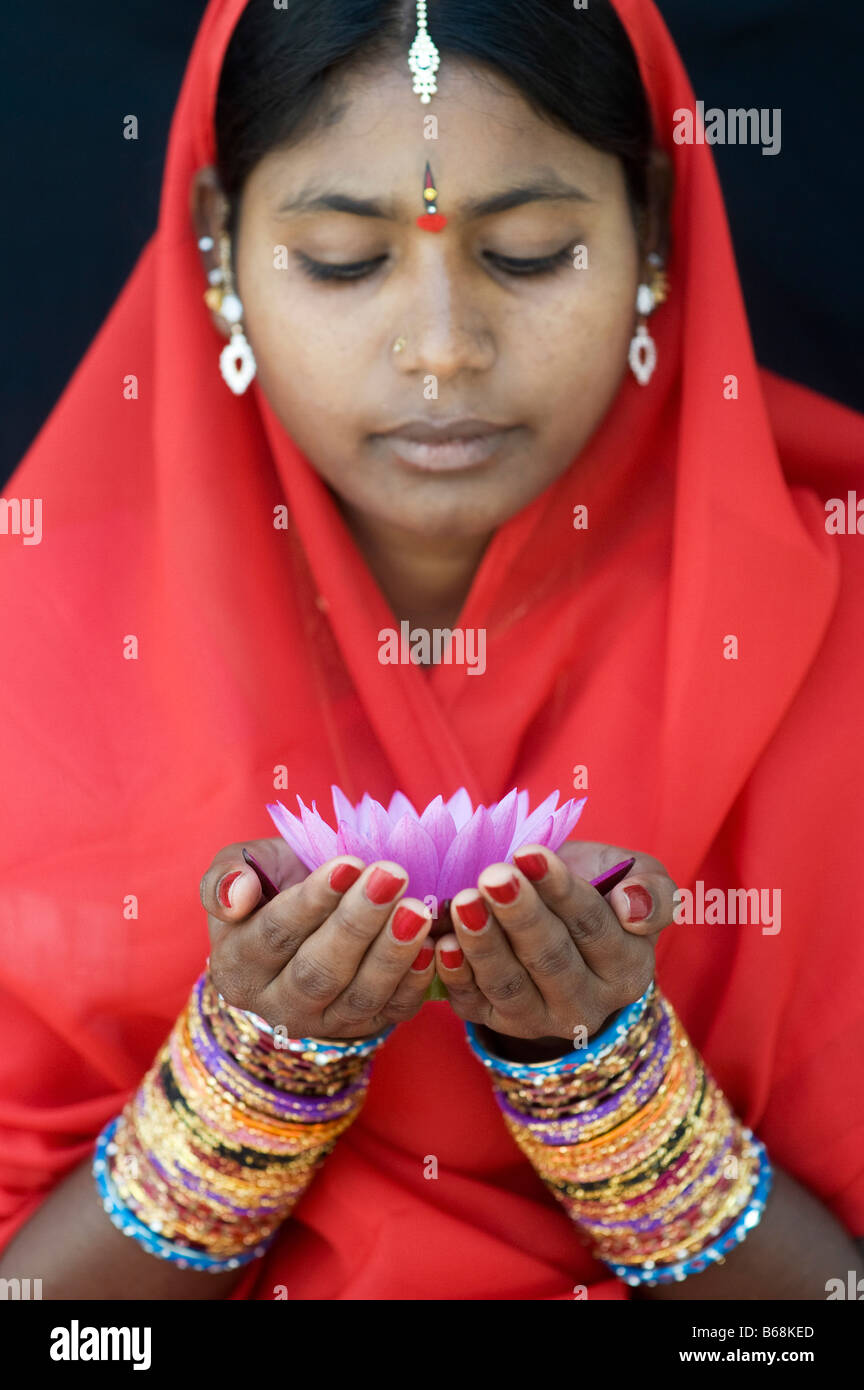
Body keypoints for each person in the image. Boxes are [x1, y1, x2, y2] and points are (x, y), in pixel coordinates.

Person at [0, 0, 862, 1302]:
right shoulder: (40, 655)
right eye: (344, 261)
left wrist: (611, 1092)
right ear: (216, 244)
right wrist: (252, 1076)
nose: (444, 351)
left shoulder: (832, 635)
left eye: (529, 252)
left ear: (657, 232)